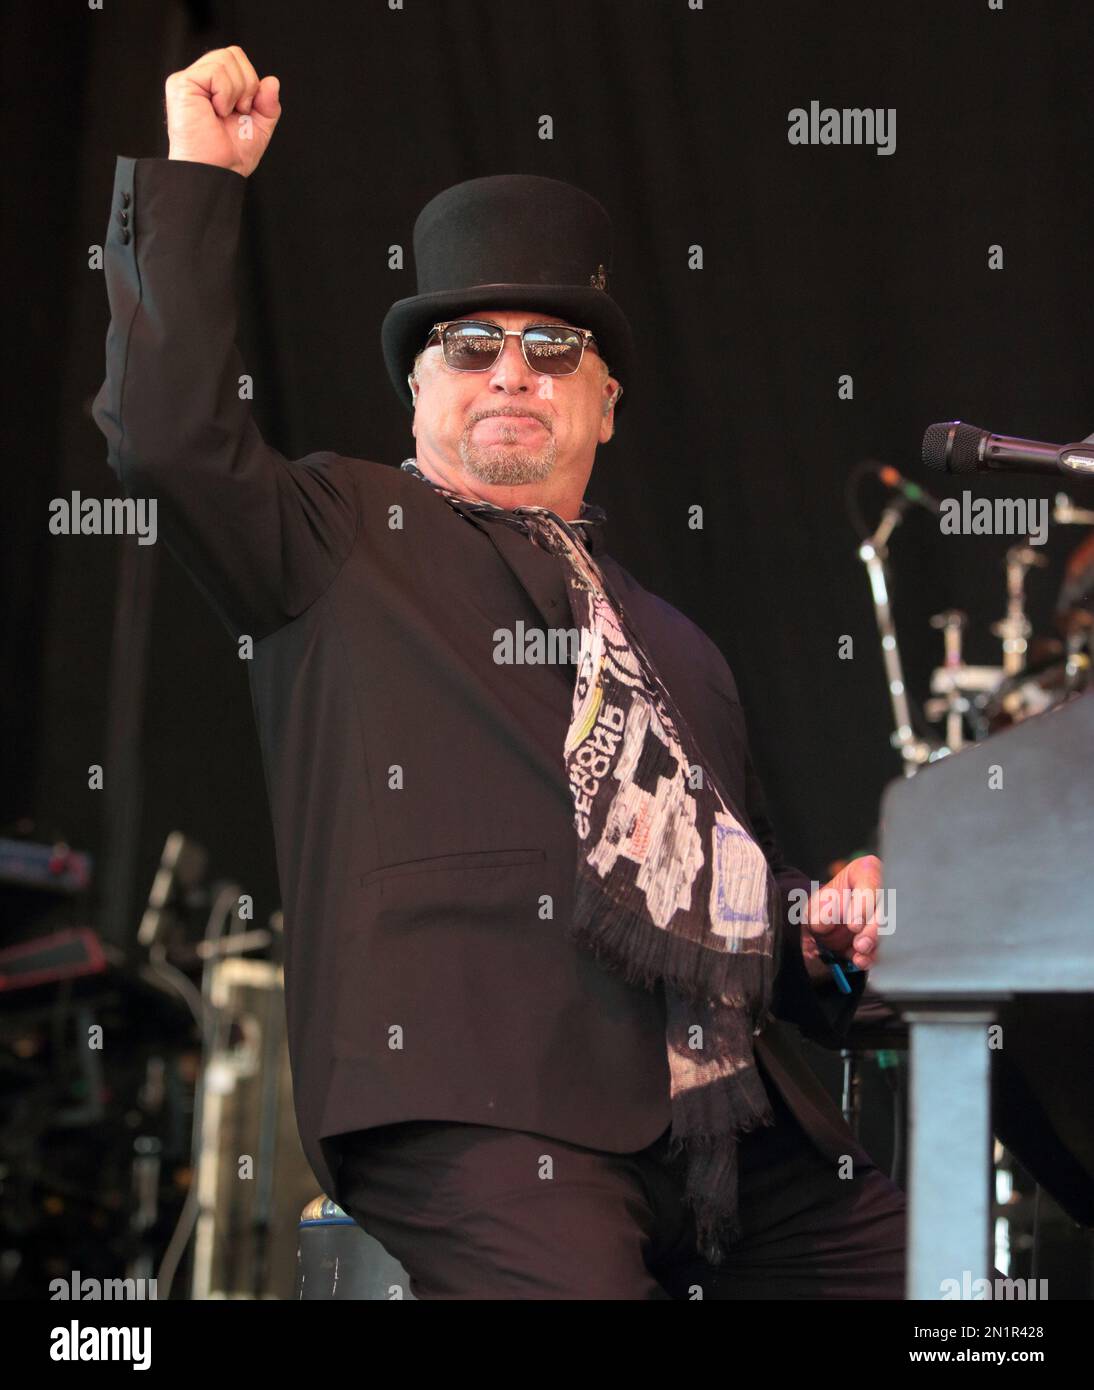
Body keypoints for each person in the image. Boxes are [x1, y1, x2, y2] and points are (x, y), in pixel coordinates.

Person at [93, 45, 905, 1299]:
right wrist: (200, 173)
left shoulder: (676, 645)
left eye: (552, 346)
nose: (512, 369)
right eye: (469, 345)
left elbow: (719, 896)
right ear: (415, 387)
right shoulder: (332, 534)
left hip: (721, 1121)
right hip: (476, 1094)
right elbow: (165, 434)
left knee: (940, 1284)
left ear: (607, 404)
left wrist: (825, 926)